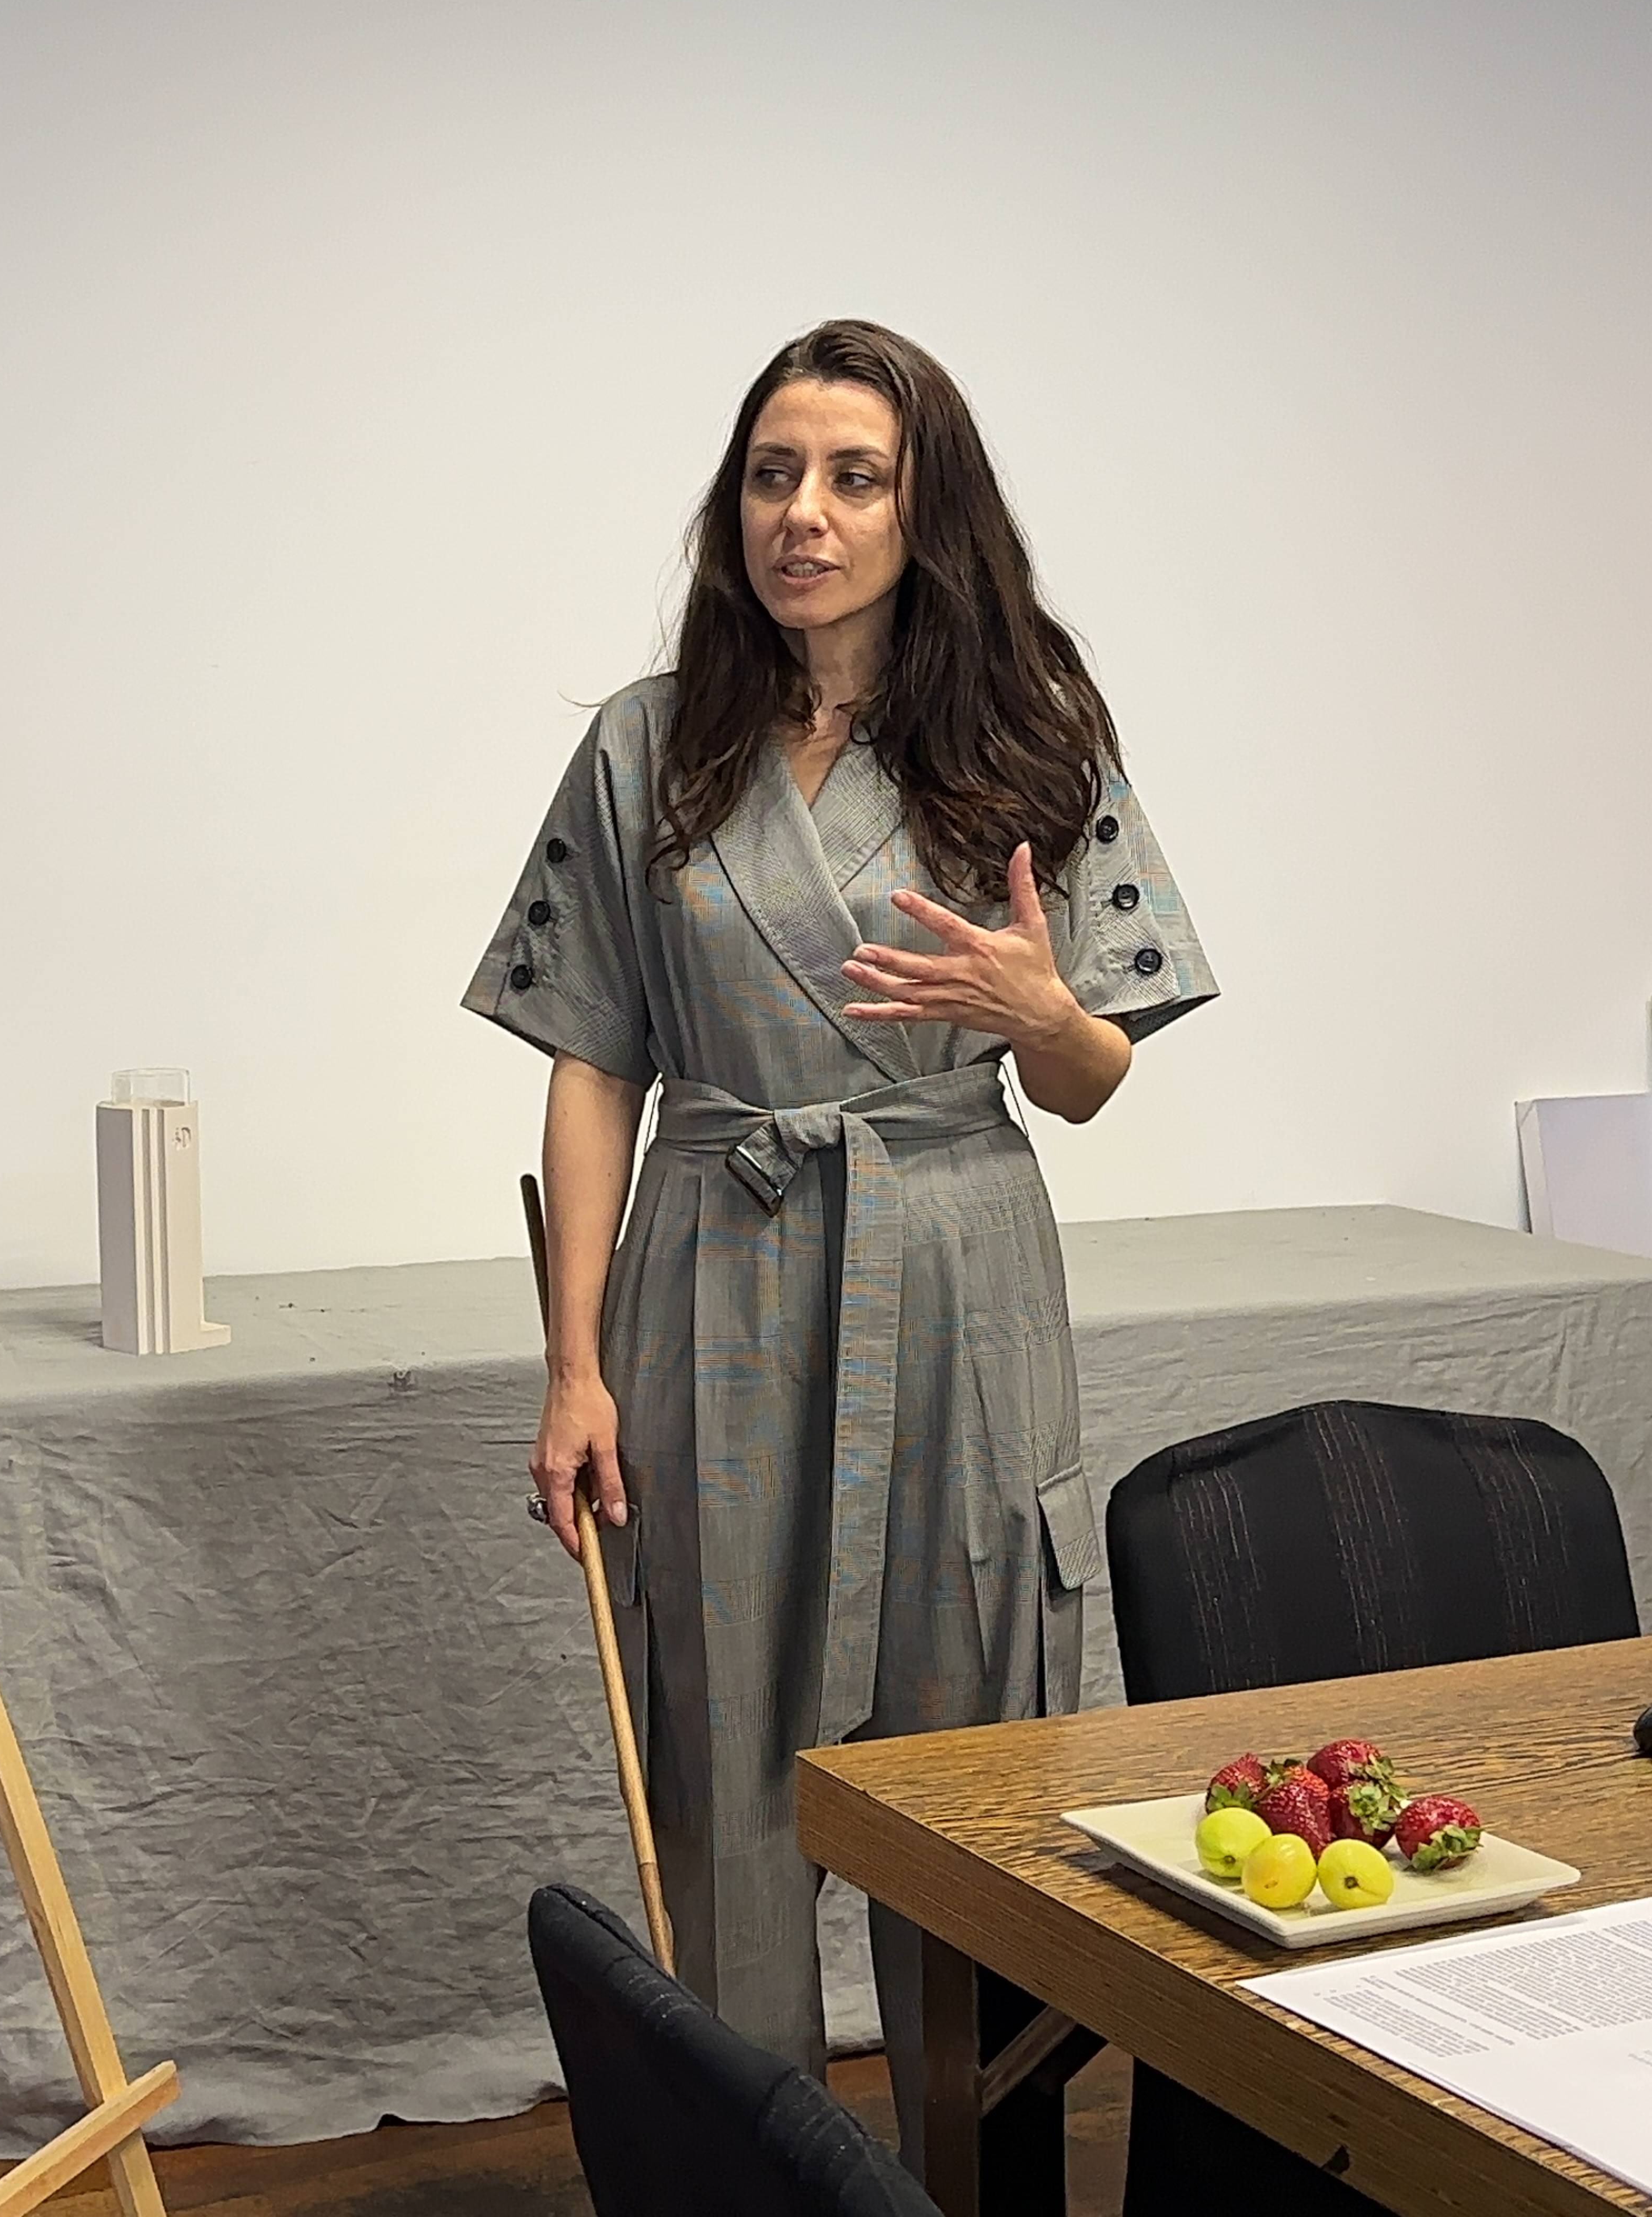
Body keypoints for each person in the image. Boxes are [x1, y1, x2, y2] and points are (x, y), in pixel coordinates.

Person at [466, 319, 1213, 2129]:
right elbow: (593, 1064)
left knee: (970, 1738)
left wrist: (1044, 1015)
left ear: (923, 510)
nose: (802, 514)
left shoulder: (1033, 738)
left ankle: (972, 2161)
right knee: (719, 1733)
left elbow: (1089, 1079)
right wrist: (573, 1366)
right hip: (717, 1266)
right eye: (772, 475)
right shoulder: (649, 747)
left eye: (854, 478)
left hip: (956, 1263)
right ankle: (756, 2168)